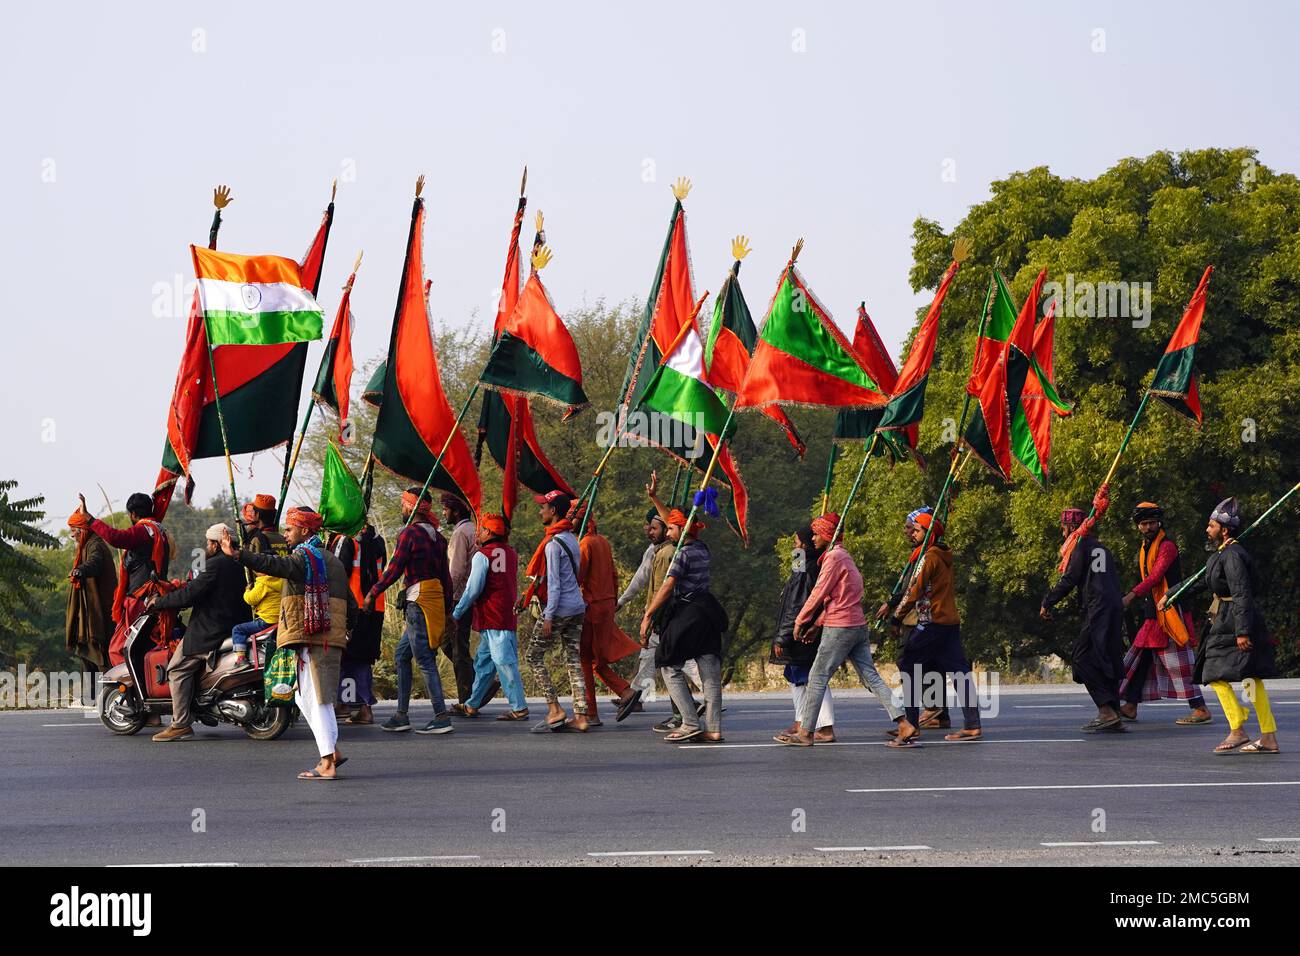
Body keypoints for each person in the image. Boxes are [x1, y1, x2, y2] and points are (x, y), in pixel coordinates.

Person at [223, 508, 356, 778]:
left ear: (305, 530)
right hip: (328, 636)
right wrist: (347, 629)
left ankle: (328, 761)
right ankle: (332, 751)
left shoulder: (305, 558)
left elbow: (274, 565)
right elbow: (351, 604)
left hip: (312, 636)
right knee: (313, 696)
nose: (285, 534)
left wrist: (239, 555)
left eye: (290, 529)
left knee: (314, 698)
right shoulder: (331, 560)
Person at [777, 513, 914, 748]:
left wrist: (800, 622)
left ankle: (807, 731)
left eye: (816, 534)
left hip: (839, 626)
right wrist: (817, 621)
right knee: (870, 677)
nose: (811, 539)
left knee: (816, 677)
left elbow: (816, 593)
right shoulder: (839, 557)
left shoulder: (830, 558)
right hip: (854, 623)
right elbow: (828, 592)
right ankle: (904, 722)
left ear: (827, 535)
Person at [1163, 497, 1279, 754]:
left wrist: (1243, 631)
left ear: (1224, 530)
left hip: (1234, 620)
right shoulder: (1222, 554)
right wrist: (1171, 594)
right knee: (1249, 677)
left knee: (1214, 672)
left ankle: (1239, 728)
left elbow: (1241, 592)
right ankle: (1266, 735)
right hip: (1226, 618)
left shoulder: (1233, 556)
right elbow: (1203, 581)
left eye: (1211, 525)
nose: (1207, 529)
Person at [364, 488, 455, 735]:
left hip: (418, 600)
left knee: (424, 659)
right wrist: (448, 610)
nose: (402, 508)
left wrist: (373, 592)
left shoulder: (410, 534)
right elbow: (446, 577)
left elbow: (394, 569)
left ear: (410, 507)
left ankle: (441, 716)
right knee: (402, 655)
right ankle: (401, 715)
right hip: (433, 600)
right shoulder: (438, 536)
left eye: (403, 504)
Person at [886, 510, 982, 744]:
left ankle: (910, 726)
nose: (913, 533)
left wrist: (896, 618)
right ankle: (972, 725)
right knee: (960, 672)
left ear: (928, 534)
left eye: (917, 530)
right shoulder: (943, 554)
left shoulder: (928, 557)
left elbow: (913, 591)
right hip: (949, 621)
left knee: (907, 664)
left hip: (932, 621)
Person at [146, 524, 247, 742]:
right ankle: (202, 707)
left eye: (208, 542)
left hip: (210, 631)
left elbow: (190, 594)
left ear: (216, 544)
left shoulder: (214, 565)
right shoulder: (241, 562)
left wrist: (160, 602)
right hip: (236, 625)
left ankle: (180, 723)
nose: (206, 546)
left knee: (176, 669)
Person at [1117, 502, 1212, 725]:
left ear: (1159, 523)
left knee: (1178, 661)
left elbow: (1155, 577)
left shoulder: (1167, 546)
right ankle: (1130, 705)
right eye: (1144, 524)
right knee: (1142, 656)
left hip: (1170, 610)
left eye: (1152, 523)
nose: (1148, 527)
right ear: (1138, 526)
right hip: (1154, 609)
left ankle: (1200, 708)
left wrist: (1130, 596)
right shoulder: (1145, 547)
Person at [642, 498, 726, 744]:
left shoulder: (683, 554)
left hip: (688, 614)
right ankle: (713, 728)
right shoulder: (703, 548)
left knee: (668, 664)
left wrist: (648, 616)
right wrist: (655, 498)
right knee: (709, 671)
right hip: (708, 612)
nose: (667, 532)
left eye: (671, 529)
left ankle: (689, 721)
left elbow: (668, 587)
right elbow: (674, 519)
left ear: (683, 529)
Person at [1041, 507, 1126, 733]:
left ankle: (1106, 710)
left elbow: (1070, 579)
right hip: (1114, 608)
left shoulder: (1080, 547)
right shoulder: (1103, 549)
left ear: (1071, 527)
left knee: (1080, 658)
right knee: (1106, 657)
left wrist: (1048, 601)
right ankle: (1115, 713)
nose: (1062, 531)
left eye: (1063, 527)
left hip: (1097, 609)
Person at [69, 492, 171, 667]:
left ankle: (130, 690)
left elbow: (116, 538)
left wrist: (90, 519)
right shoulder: (158, 530)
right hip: (152, 597)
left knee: (117, 650)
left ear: (133, 514)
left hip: (139, 601)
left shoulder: (143, 530)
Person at [450, 513, 530, 720]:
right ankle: (471, 704)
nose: (479, 532)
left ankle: (519, 707)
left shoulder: (482, 555)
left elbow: (472, 590)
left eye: (481, 529)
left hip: (493, 616)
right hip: (505, 615)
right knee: (484, 663)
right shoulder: (510, 553)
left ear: (488, 531)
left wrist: (457, 613)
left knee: (504, 662)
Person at [522, 490, 589, 732]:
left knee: (533, 656)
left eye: (544, 508)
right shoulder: (572, 538)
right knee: (573, 660)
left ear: (554, 512)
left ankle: (554, 708)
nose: (541, 511)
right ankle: (581, 716)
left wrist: (549, 616)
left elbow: (555, 584)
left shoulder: (552, 544)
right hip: (578, 606)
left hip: (559, 608)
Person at [573, 505, 642, 725]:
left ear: (580, 520)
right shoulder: (602, 541)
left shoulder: (585, 544)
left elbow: (578, 577)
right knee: (595, 660)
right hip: (606, 605)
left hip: (591, 608)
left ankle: (591, 712)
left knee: (585, 659)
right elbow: (613, 575)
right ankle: (624, 691)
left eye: (571, 518)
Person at [769, 526, 835, 742]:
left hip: (803, 631)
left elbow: (796, 604)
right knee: (796, 676)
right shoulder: (805, 565)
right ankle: (800, 721)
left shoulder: (810, 569)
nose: (794, 545)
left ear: (805, 545)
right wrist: (800, 553)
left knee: (811, 678)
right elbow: (794, 579)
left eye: (798, 542)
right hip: (801, 629)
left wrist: (783, 636)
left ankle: (824, 727)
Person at [331, 522, 387, 725]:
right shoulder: (378, 539)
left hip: (353, 607)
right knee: (363, 657)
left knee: (346, 655)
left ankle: (346, 705)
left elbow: (337, 576)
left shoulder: (347, 540)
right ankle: (362, 708)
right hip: (376, 606)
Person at [440, 493, 479, 706]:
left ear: (455, 511)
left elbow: (456, 571)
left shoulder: (460, 533)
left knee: (456, 646)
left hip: (458, 597)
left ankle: (468, 699)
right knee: (454, 645)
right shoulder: (474, 529)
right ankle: (477, 684)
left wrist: (449, 600)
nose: (444, 513)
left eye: (446, 509)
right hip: (469, 595)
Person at [66, 517, 117, 674]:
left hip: (100, 616)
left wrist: (82, 570)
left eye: (73, 531)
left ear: (82, 531)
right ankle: (93, 698)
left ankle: (111, 695)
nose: (72, 536)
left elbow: (95, 563)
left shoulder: (95, 545)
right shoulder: (86, 545)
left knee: (101, 658)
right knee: (88, 658)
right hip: (92, 616)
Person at [232, 567, 281, 667]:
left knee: (237, 630)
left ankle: (241, 658)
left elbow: (251, 599)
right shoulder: (281, 580)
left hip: (267, 620)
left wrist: (247, 591)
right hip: (279, 618)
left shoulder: (264, 582)